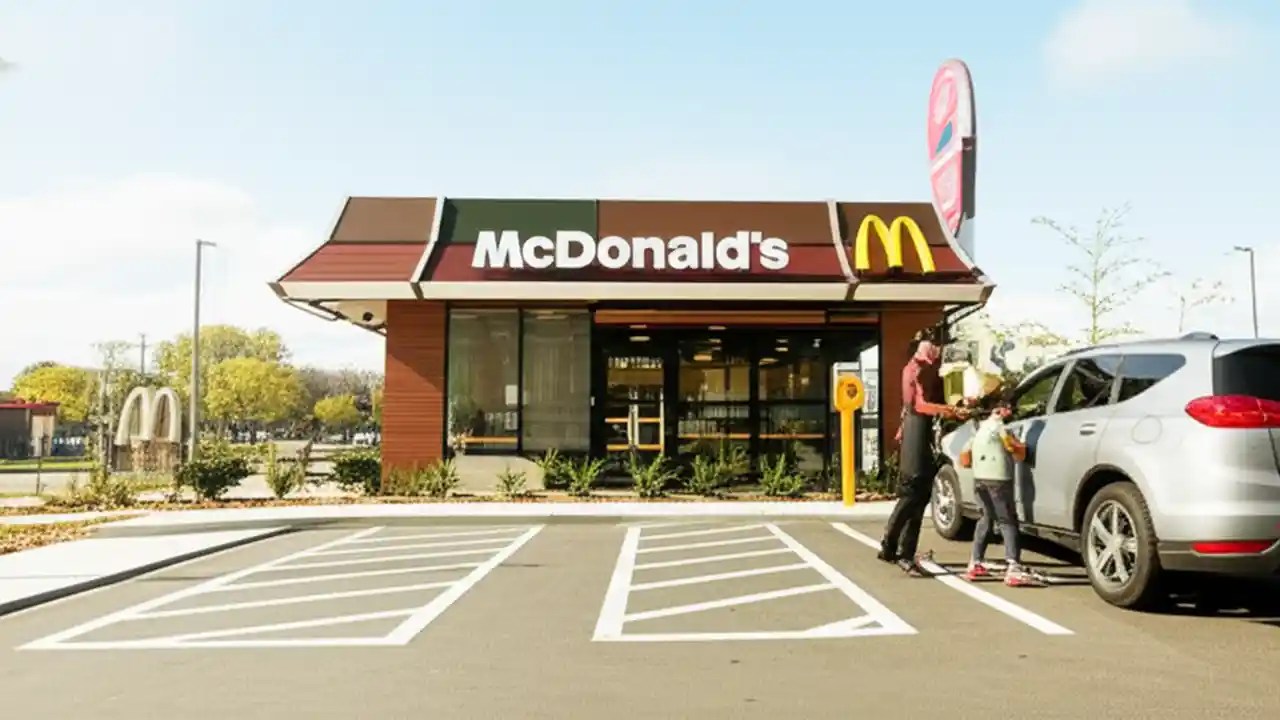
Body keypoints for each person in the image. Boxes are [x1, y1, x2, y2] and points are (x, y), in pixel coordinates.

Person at [878, 334, 967, 574]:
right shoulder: (914, 371)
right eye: (933, 346)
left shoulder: (927, 370)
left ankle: (904, 553)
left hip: (920, 431)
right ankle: (889, 545)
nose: (936, 351)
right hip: (916, 430)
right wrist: (949, 410)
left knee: (921, 495)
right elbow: (919, 405)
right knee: (912, 492)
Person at [960, 394, 1038, 586]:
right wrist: (1022, 448)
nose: (1010, 411)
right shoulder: (1000, 428)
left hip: (980, 479)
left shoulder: (979, 430)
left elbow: (964, 455)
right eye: (1007, 408)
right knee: (1007, 520)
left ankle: (975, 562)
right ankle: (1013, 566)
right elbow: (1013, 448)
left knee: (986, 517)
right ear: (998, 410)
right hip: (999, 479)